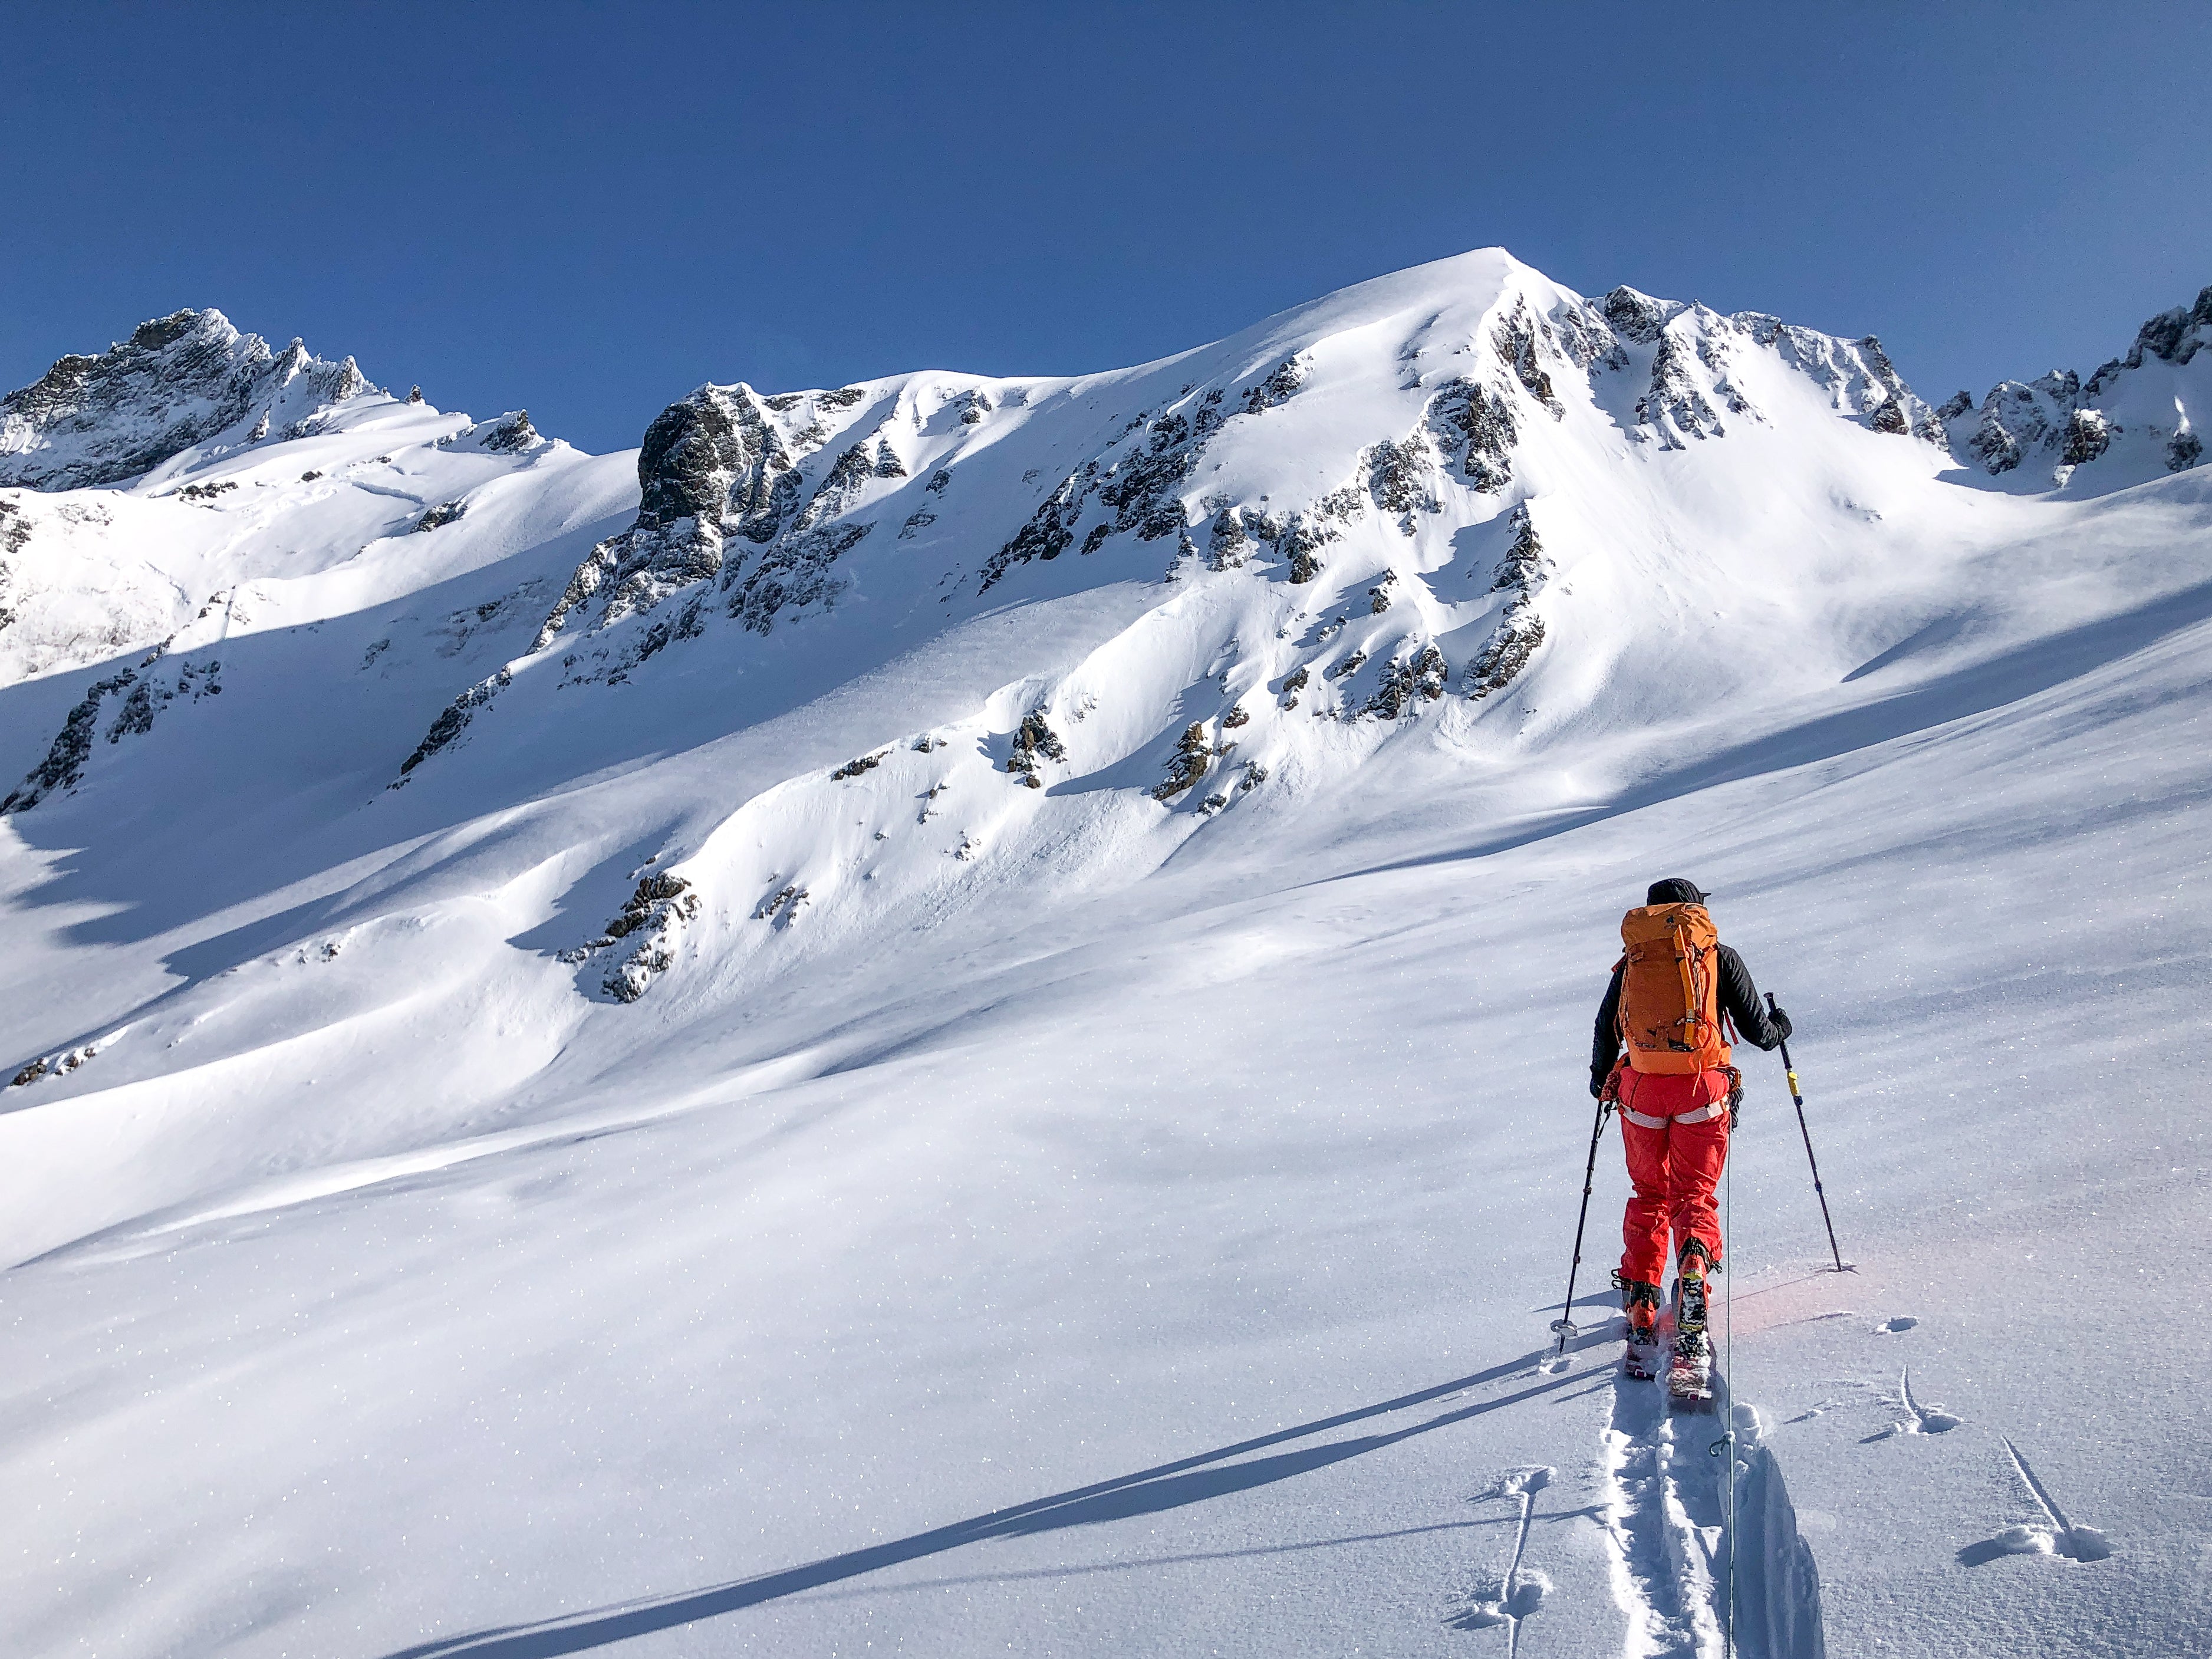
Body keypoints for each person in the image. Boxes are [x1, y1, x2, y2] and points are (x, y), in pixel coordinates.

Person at [1589, 878, 1790, 1385]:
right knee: (1694, 1195)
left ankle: (1640, 1299)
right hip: (1702, 1092)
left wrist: (1602, 1080)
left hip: (1640, 1093)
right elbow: (1761, 1035)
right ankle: (1694, 1275)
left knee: (1648, 1192)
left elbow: (1604, 1028)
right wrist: (1780, 1025)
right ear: (1697, 912)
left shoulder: (1634, 959)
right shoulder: (1716, 955)